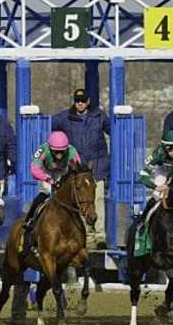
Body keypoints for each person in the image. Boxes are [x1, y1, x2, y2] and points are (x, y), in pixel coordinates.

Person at [51, 88, 110, 248]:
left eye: (83, 101)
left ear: (88, 102)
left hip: (97, 167)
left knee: (97, 199)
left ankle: (100, 235)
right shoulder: (65, 118)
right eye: (77, 101)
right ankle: (88, 236)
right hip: (76, 169)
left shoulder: (99, 116)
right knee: (80, 200)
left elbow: (116, 130)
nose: (80, 104)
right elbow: (45, 124)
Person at [21, 130, 83, 240]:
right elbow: (34, 169)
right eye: (56, 152)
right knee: (45, 193)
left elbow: (79, 168)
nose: (59, 155)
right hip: (46, 173)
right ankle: (30, 220)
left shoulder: (72, 151)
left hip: (63, 172)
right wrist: (49, 180)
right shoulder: (43, 149)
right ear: (50, 148)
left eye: (62, 152)